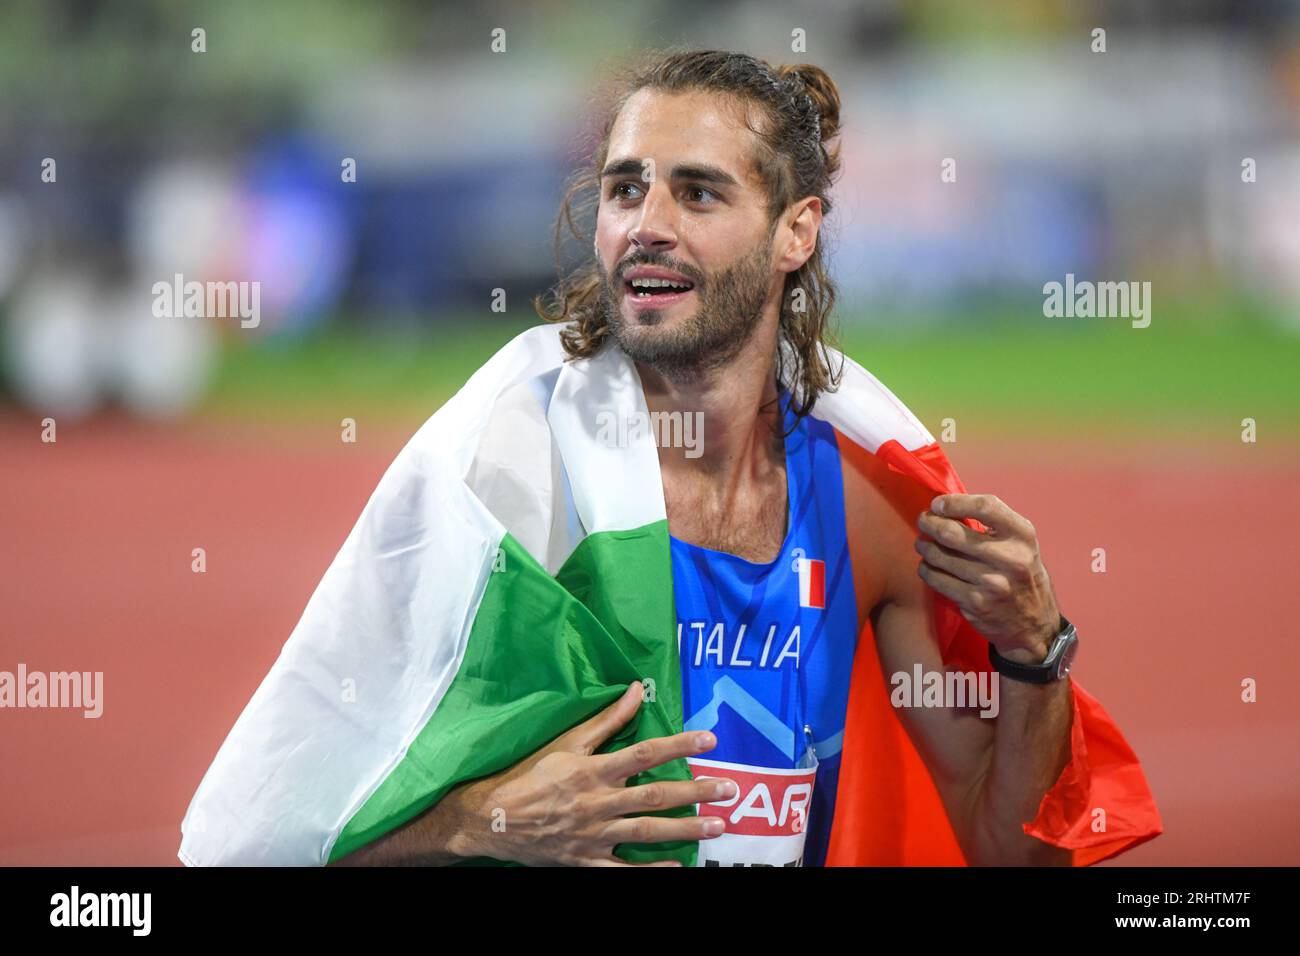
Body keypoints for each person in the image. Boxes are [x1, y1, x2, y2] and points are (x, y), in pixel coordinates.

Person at [180, 50, 1160, 868]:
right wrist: (475, 821)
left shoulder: (866, 510)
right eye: (623, 188)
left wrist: (1034, 651)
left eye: (696, 191)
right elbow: (273, 837)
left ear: (795, 230)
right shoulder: (511, 483)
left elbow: (1012, 852)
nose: (646, 222)